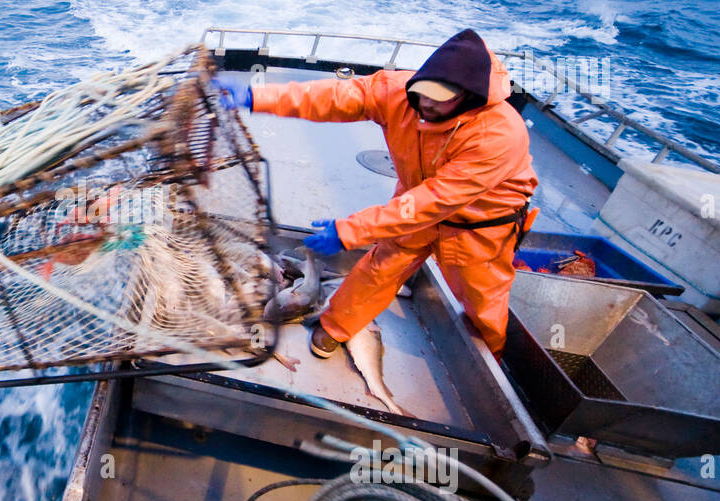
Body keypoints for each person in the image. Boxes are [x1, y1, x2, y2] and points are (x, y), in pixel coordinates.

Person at [218, 29, 538, 358]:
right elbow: (331, 98)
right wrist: (260, 98)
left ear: (469, 97)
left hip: (479, 223)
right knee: (381, 266)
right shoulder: (398, 92)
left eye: (441, 98)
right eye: (423, 92)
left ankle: (495, 359)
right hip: (414, 202)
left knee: (482, 299)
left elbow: (436, 200)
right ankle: (334, 326)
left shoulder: (500, 134)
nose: (426, 103)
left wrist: (349, 231)